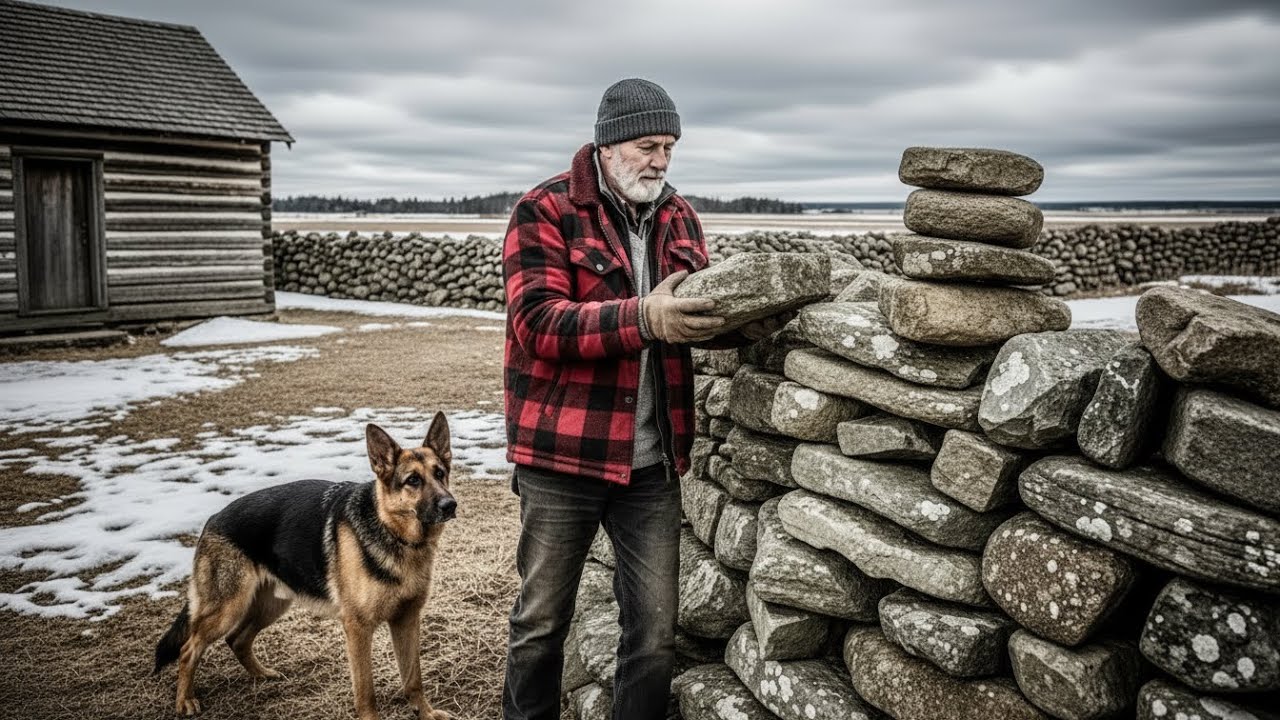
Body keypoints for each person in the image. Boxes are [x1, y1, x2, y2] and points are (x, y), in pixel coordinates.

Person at [500, 78, 777, 720]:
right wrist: (645, 318)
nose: (660, 161)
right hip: (560, 460)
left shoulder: (679, 215)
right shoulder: (542, 210)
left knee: (653, 635)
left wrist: (745, 322)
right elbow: (537, 324)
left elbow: (690, 316)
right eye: (648, 146)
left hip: (651, 464)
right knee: (541, 622)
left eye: (670, 148)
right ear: (608, 143)